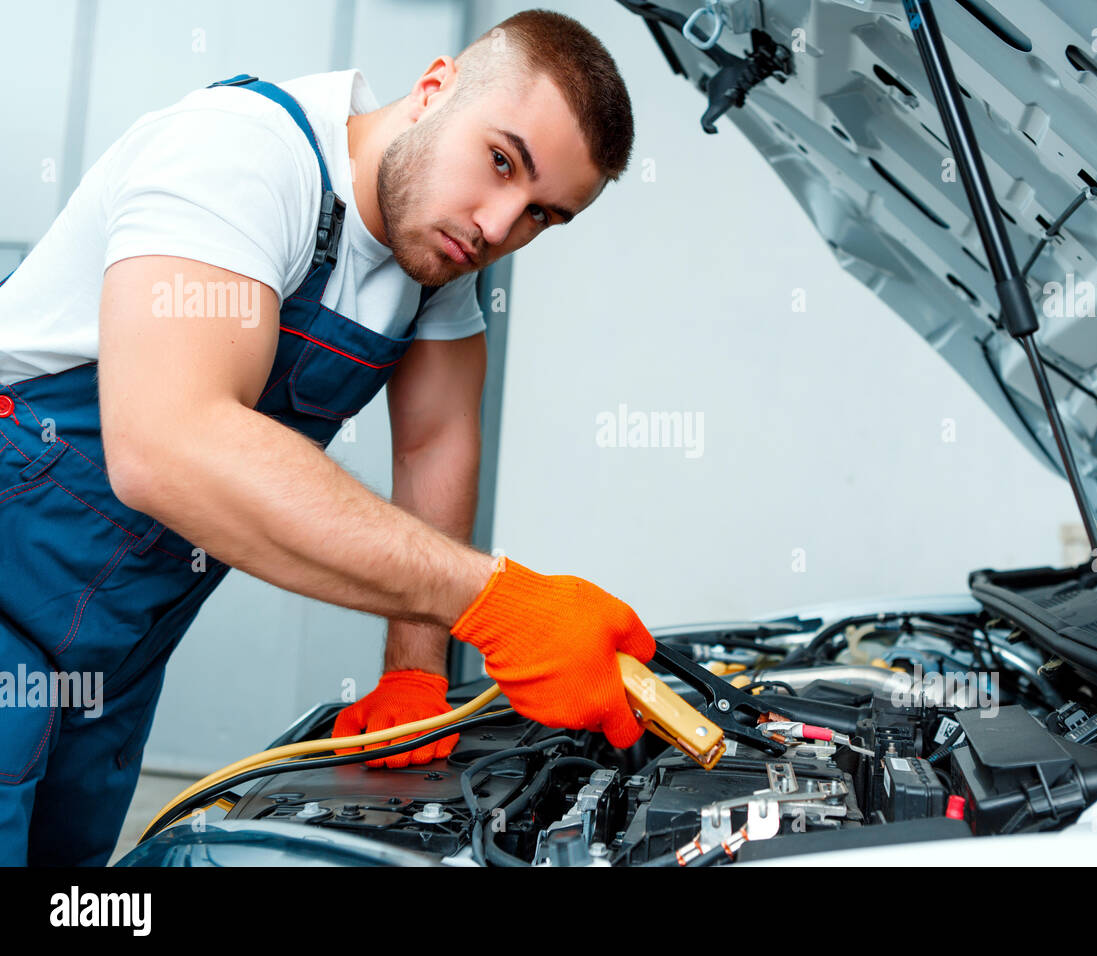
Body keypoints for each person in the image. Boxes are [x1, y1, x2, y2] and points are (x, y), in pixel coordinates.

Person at [0, 9, 654, 866]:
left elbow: (434, 448)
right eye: (500, 162)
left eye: (542, 214)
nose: (499, 227)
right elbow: (166, 442)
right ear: (433, 88)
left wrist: (416, 672)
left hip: (118, 649)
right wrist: (494, 602)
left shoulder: (436, 269)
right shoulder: (240, 156)